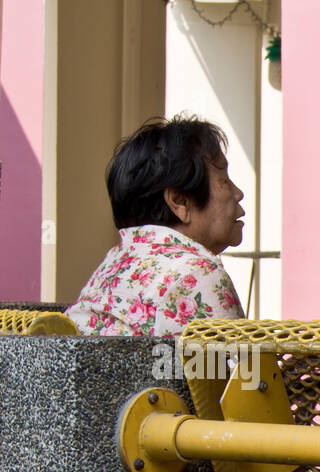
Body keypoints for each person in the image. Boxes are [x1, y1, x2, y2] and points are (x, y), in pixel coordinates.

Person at [66, 116, 246, 335]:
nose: (238, 193)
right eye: (224, 181)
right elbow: (242, 368)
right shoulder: (197, 272)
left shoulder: (114, 263)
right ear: (180, 201)